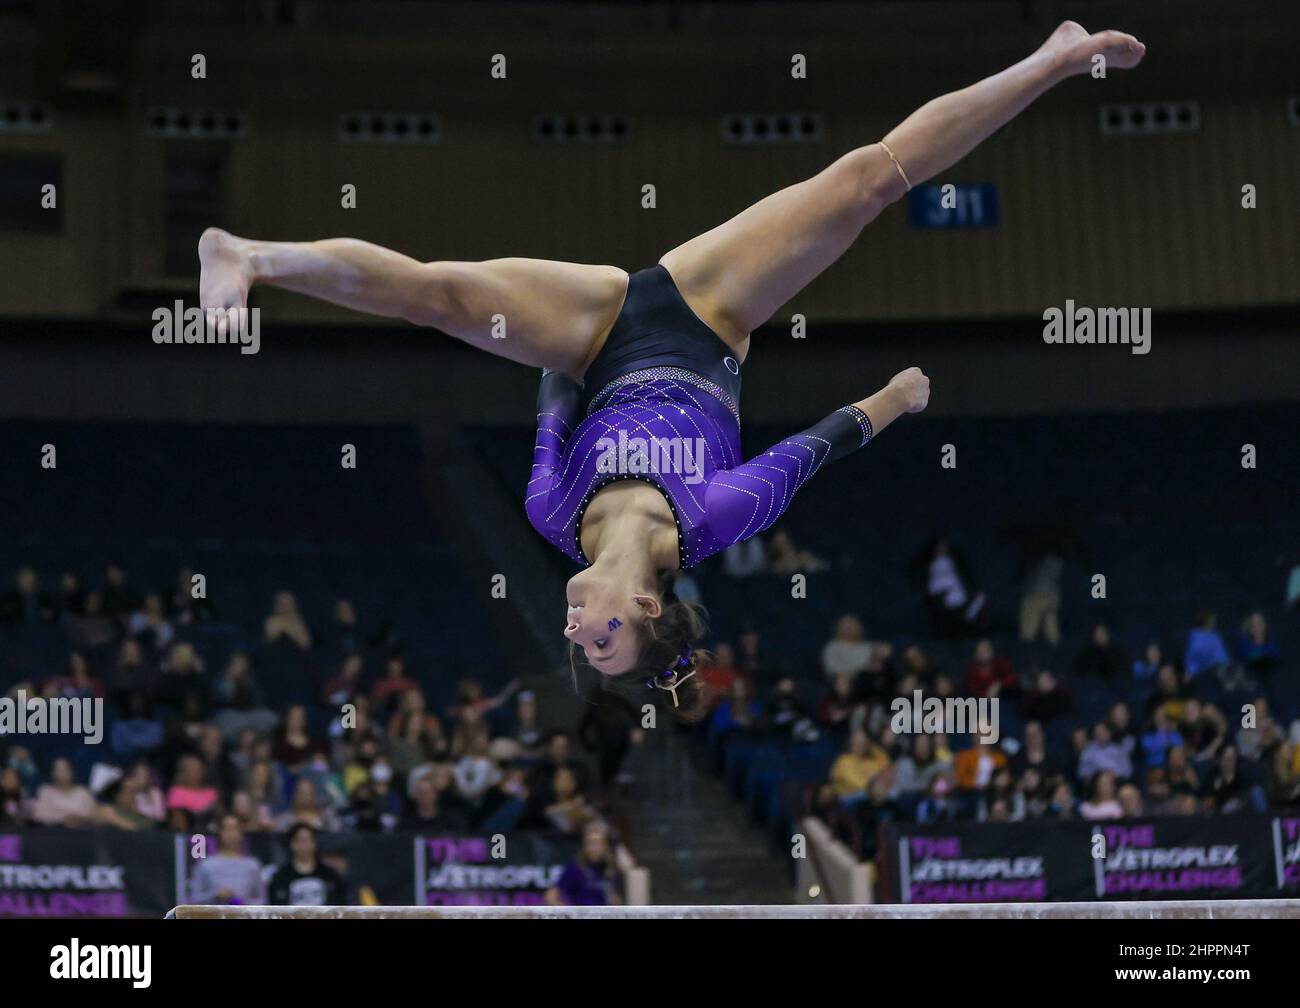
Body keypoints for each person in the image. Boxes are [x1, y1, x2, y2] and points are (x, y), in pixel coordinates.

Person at [199, 20, 1144, 711]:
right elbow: (816, 449)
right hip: (706, 314)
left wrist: (522, 330)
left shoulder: (550, 511)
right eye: (604, 638)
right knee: (863, 185)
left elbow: (556, 400)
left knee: (440, 299)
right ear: (648, 604)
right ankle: (1053, 58)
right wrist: (896, 398)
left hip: (596, 332)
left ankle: (252, 255)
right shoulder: (714, 516)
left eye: (581, 645)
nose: (577, 631)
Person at [189, 814, 267, 904]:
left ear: (241, 833)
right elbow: (194, 898)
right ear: (220, 833)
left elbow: (262, 901)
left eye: (235, 829)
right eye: (227, 829)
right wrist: (215, 895)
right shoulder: (206, 865)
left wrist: (243, 903)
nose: (231, 834)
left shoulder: (253, 865)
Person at [546, 821, 626, 906]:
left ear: (605, 846)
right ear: (585, 846)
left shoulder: (610, 868)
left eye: (598, 843)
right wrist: (567, 914)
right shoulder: (575, 867)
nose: (594, 848)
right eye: (590, 843)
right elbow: (551, 895)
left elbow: (629, 867)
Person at [268, 824, 346, 906]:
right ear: (292, 844)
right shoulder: (281, 877)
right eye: (300, 840)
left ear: (314, 843)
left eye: (307, 840)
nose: (304, 846)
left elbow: (339, 903)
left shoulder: (330, 875)